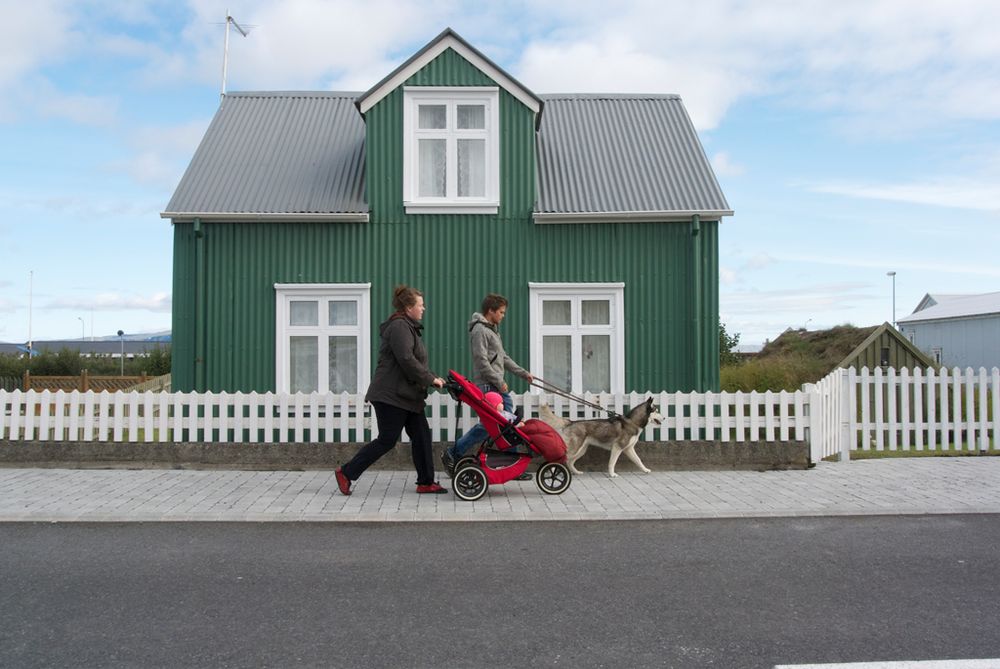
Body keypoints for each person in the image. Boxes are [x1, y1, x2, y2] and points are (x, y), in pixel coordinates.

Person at [336, 285, 448, 495]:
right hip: (390, 395)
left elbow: (416, 361)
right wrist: (430, 379)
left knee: (422, 435)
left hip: (406, 395)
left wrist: (433, 377)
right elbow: (406, 359)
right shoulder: (399, 327)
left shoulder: (409, 327)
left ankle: (426, 482)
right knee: (387, 439)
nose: (423, 309)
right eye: (420, 305)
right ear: (408, 308)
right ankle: (346, 472)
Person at [441, 293, 533, 474]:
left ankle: (511, 467)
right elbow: (481, 361)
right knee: (492, 426)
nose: (503, 316)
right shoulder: (480, 331)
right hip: (488, 386)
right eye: (501, 312)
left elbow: (503, 357)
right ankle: (453, 452)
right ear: (490, 311)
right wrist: (499, 380)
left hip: (496, 386)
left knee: (507, 425)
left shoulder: (491, 330)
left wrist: (524, 374)